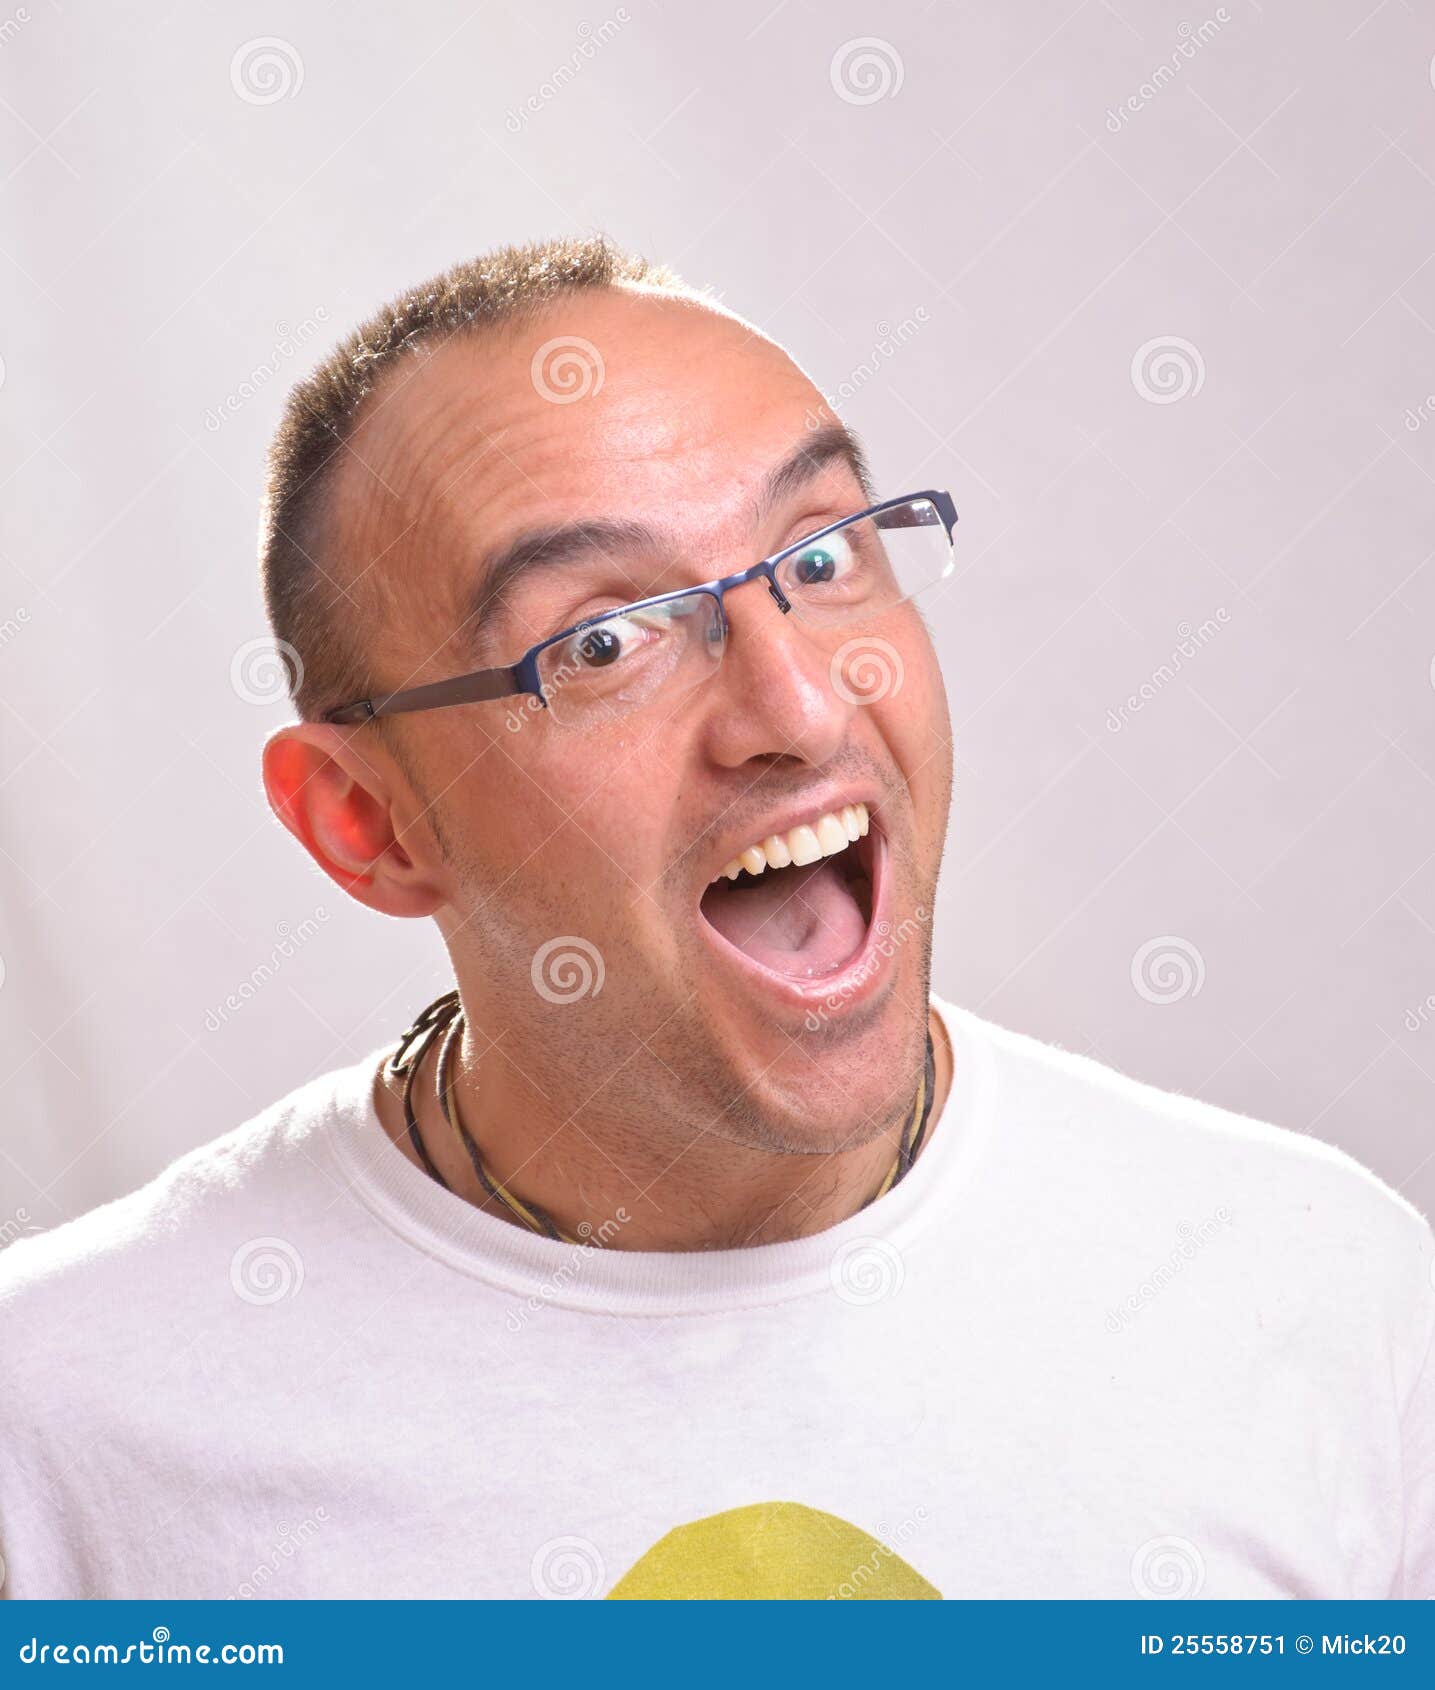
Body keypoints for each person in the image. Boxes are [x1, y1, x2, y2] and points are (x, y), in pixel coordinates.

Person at [1, 238, 1431, 1601]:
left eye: (820, 559)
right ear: (368, 823)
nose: (798, 707)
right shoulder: (58, 1427)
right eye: (601, 641)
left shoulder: (1322, 1294)